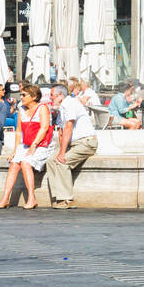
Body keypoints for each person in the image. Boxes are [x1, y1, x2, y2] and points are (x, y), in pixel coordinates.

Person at [0, 84, 53, 209]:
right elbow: (19, 131)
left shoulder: (42, 108)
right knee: (14, 164)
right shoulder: (21, 109)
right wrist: (15, 150)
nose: (21, 97)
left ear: (34, 96)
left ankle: (32, 198)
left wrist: (34, 145)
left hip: (42, 144)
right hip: (27, 143)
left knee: (26, 162)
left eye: (24, 95)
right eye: (21, 94)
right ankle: (5, 198)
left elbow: (44, 128)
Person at [45, 80, 99, 209]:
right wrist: (59, 150)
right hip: (75, 143)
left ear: (60, 95)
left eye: (52, 95)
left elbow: (68, 127)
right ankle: (57, 196)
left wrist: (62, 152)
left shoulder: (70, 103)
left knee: (63, 162)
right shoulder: (62, 107)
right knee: (51, 161)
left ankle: (66, 199)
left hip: (86, 142)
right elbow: (62, 131)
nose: (50, 98)